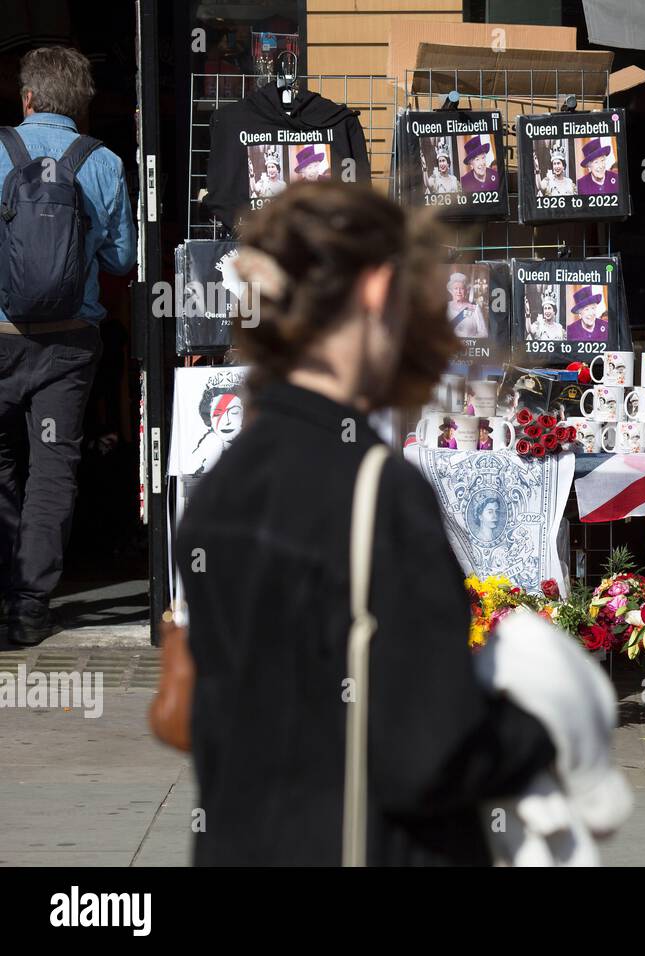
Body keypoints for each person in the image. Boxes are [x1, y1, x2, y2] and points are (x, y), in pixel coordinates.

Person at [175, 182, 574, 865]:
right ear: (378, 289)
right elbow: (431, 751)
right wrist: (545, 727)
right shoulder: (375, 490)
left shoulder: (225, 482)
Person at [0, 46, 136, 646]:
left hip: (0, 339)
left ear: (27, 98)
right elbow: (122, 258)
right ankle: (30, 605)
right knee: (53, 468)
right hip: (69, 347)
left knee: (2, 463)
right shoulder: (101, 161)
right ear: (82, 105)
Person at [447, 272, 487, 339]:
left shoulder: (474, 308)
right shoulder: (446, 307)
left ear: (466, 290)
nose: (459, 292)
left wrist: (468, 339)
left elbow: (484, 333)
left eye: (462, 288)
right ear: (451, 291)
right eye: (456, 288)